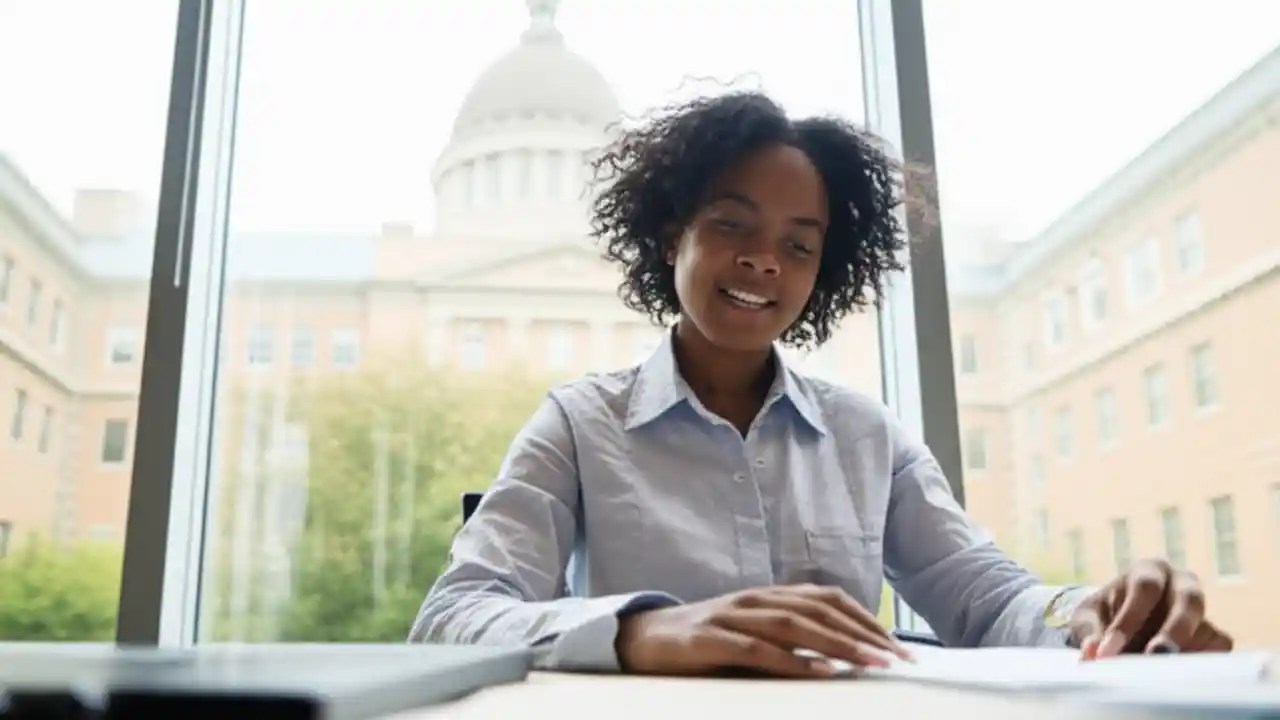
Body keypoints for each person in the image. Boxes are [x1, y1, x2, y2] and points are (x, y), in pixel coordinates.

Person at [409, 91, 1233, 677]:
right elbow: (453, 617)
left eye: (799, 245)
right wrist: (645, 631)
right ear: (672, 237)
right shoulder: (580, 422)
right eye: (731, 225)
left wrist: (1088, 611)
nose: (765, 259)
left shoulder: (866, 436)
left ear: (821, 272)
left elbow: (988, 599)